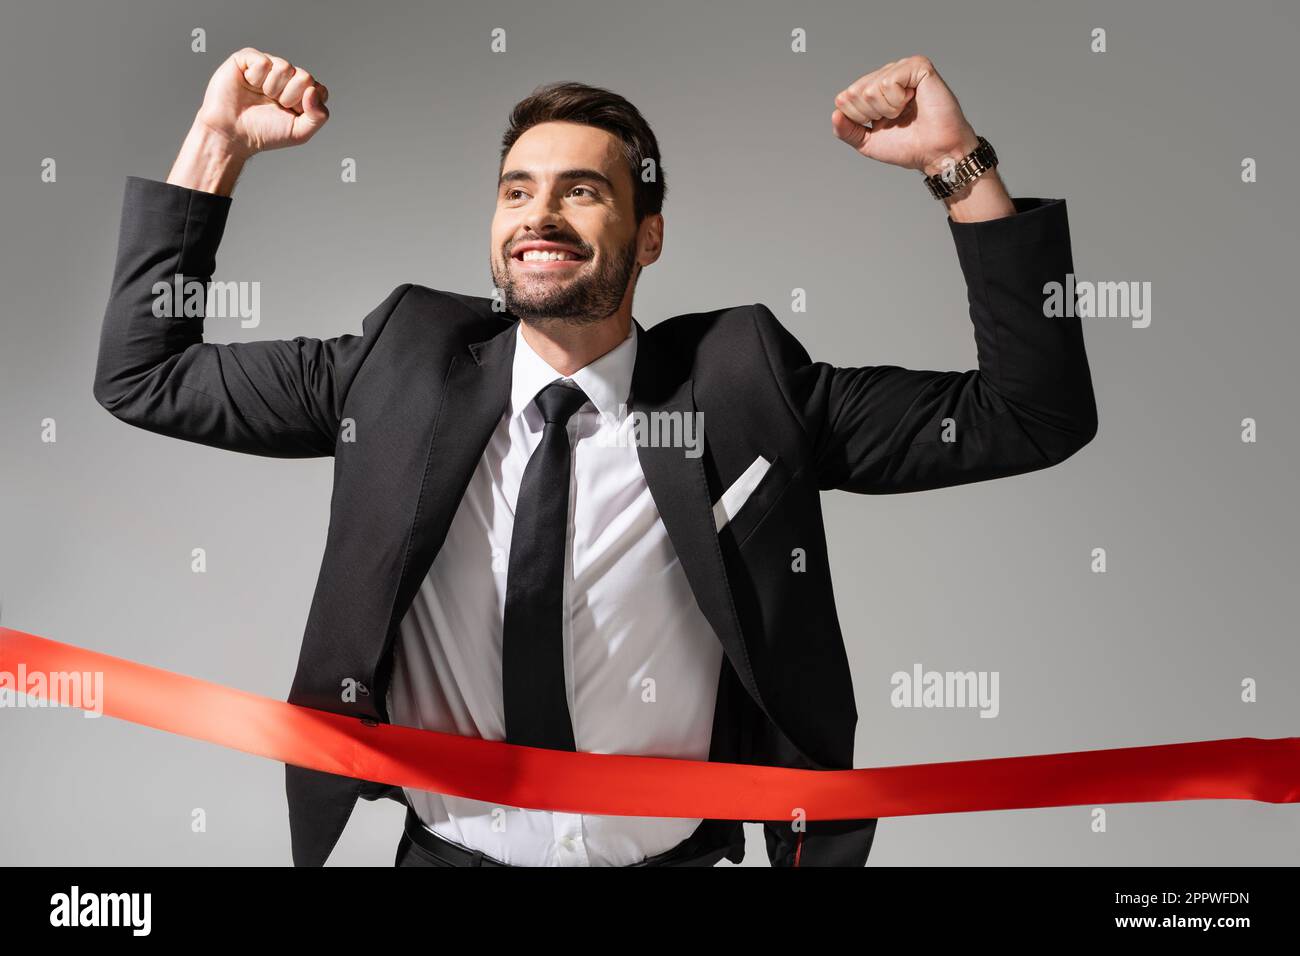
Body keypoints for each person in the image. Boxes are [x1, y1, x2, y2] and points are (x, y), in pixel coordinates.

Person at [93, 48, 1098, 866]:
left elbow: (1028, 413)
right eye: (517, 190)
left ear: (647, 234)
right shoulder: (394, 368)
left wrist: (956, 165)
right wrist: (214, 146)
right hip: (444, 857)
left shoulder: (744, 386)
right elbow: (144, 374)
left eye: (582, 191)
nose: (540, 215)